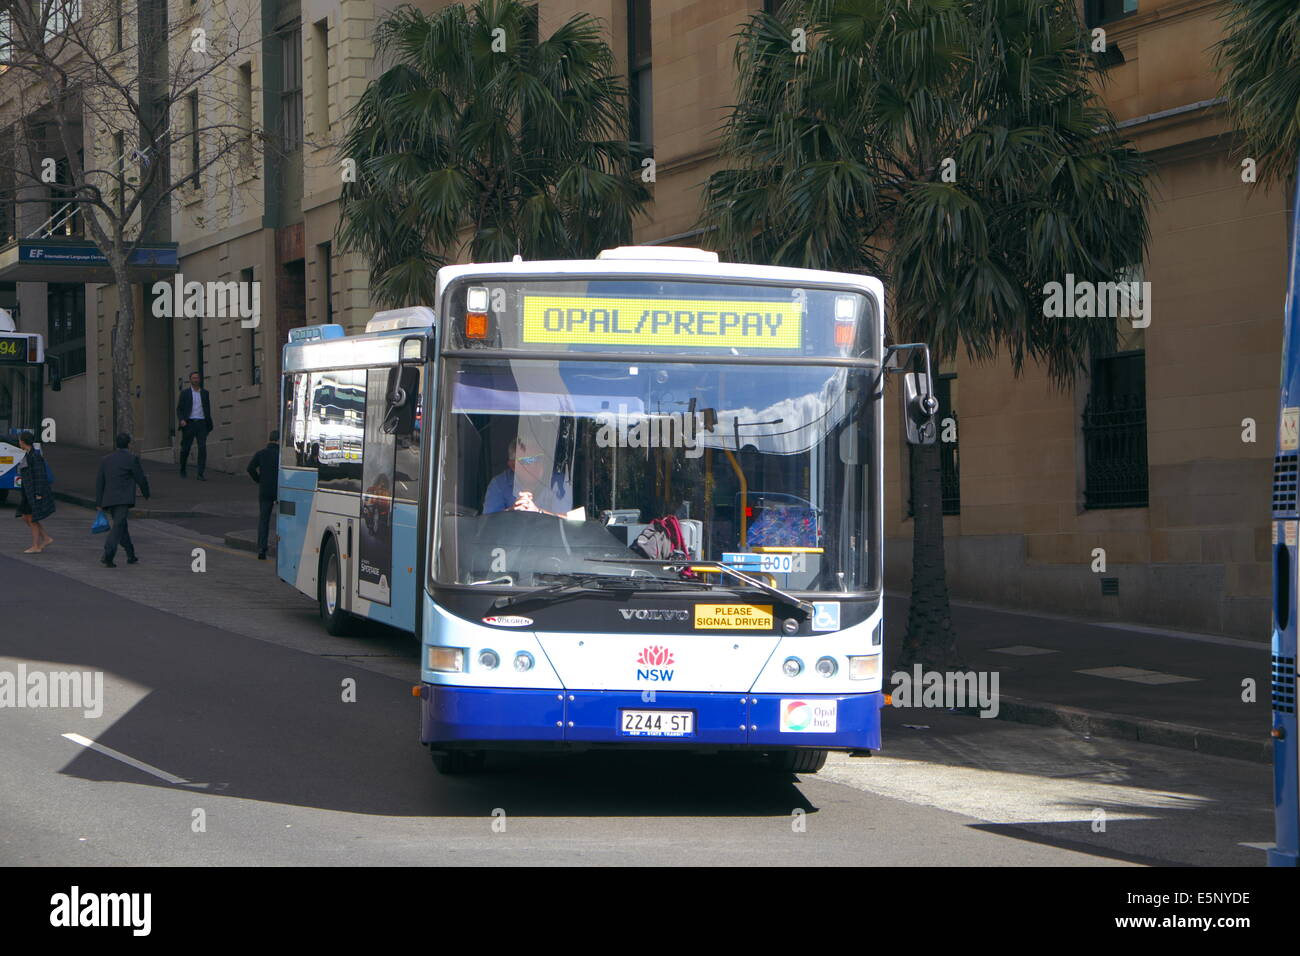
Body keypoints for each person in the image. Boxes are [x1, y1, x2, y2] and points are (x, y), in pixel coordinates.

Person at [95, 432, 151, 568]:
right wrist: (146, 493)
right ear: (128, 444)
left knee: (121, 526)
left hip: (108, 498)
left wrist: (99, 502)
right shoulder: (131, 459)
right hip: (123, 498)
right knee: (118, 526)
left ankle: (131, 554)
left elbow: (100, 482)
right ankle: (108, 554)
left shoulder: (105, 459)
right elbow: (140, 478)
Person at [482, 437, 572, 517]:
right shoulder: (499, 484)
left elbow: (567, 523)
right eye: (528, 461)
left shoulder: (559, 482)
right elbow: (487, 524)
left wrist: (538, 511)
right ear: (513, 466)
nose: (534, 465)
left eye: (538, 459)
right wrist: (511, 511)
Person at [15, 430, 54, 553]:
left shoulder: (35, 457)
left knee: (31, 518)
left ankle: (36, 546)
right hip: (27, 492)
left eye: (20, 440)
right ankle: (46, 538)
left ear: (23, 441)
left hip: (33, 492)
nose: (19, 442)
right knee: (25, 517)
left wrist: (38, 493)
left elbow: (39, 476)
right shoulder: (27, 454)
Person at [246, 430, 280, 560]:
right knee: (282, 520)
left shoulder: (261, 453)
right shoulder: (281, 455)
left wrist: (259, 479)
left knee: (264, 520)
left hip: (264, 489)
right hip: (279, 490)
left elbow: (250, 468)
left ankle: (261, 548)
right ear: (278, 441)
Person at [176, 371, 213, 480]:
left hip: (202, 423)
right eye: (193, 378)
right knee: (186, 448)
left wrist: (208, 424)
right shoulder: (185, 393)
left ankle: (200, 473)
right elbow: (179, 409)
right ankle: (182, 468)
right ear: (190, 380)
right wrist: (182, 419)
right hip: (189, 423)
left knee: (202, 448)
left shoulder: (205, 393)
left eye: (197, 378)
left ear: (199, 379)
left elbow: (207, 409)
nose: (196, 380)